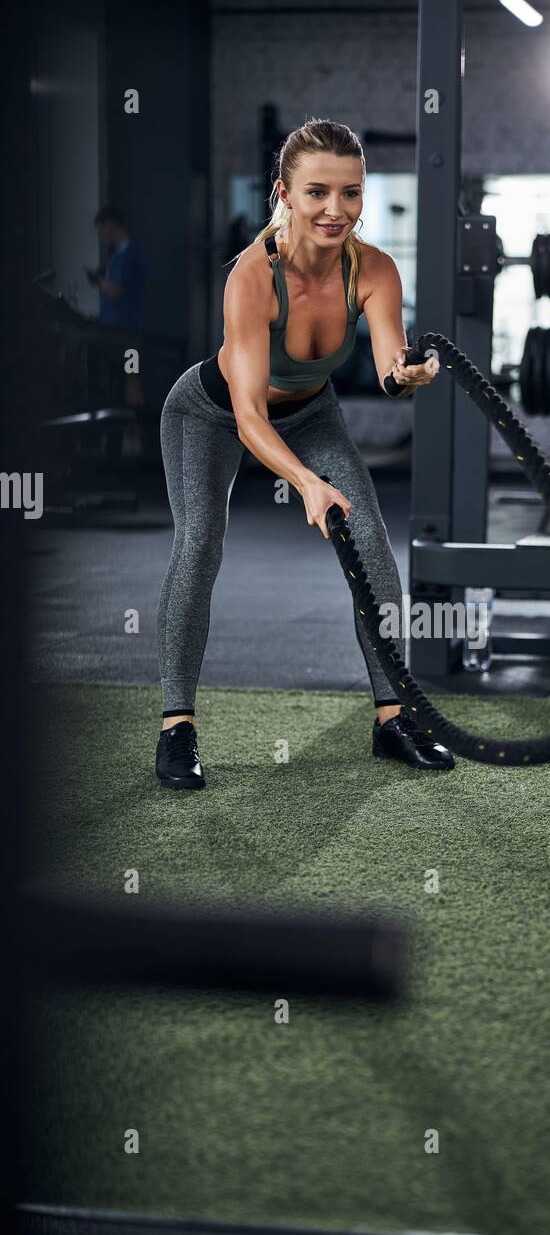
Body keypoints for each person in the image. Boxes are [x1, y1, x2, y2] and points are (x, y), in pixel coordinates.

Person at [155, 118, 452, 788]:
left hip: (312, 412)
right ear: (283, 192)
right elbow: (250, 416)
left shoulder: (374, 268)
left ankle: (393, 718)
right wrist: (306, 485)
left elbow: (385, 361)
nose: (335, 210)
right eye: (318, 192)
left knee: (372, 539)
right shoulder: (252, 278)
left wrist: (406, 376)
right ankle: (177, 730)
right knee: (201, 541)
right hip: (211, 412)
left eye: (351, 194)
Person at [87, 205, 148, 409]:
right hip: (117, 331)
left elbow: (117, 291)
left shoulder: (129, 254)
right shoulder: (118, 256)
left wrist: (98, 282)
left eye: (101, 231)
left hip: (127, 332)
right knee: (126, 378)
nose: (101, 237)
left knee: (132, 377)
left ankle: (134, 432)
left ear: (110, 225)